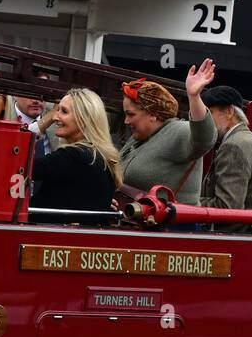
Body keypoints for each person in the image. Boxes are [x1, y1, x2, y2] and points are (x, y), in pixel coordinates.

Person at [118, 60, 218, 203]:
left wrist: (194, 97)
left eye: (131, 114)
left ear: (152, 113)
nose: (126, 121)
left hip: (171, 224)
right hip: (138, 221)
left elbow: (204, 139)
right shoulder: (138, 138)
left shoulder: (178, 131)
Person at [27, 89, 122, 225]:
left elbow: (20, 165)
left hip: (55, 241)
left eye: (64, 111)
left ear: (83, 119)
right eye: (57, 110)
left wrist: (41, 124)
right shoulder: (98, 155)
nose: (54, 117)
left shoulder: (74, 156)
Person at [199, 85, 252, 233]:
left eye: (210, 114)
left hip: (240, 240)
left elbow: (226, 207)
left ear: (229, 111)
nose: (206, 122)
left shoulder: (233, 146)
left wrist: (188, 200)